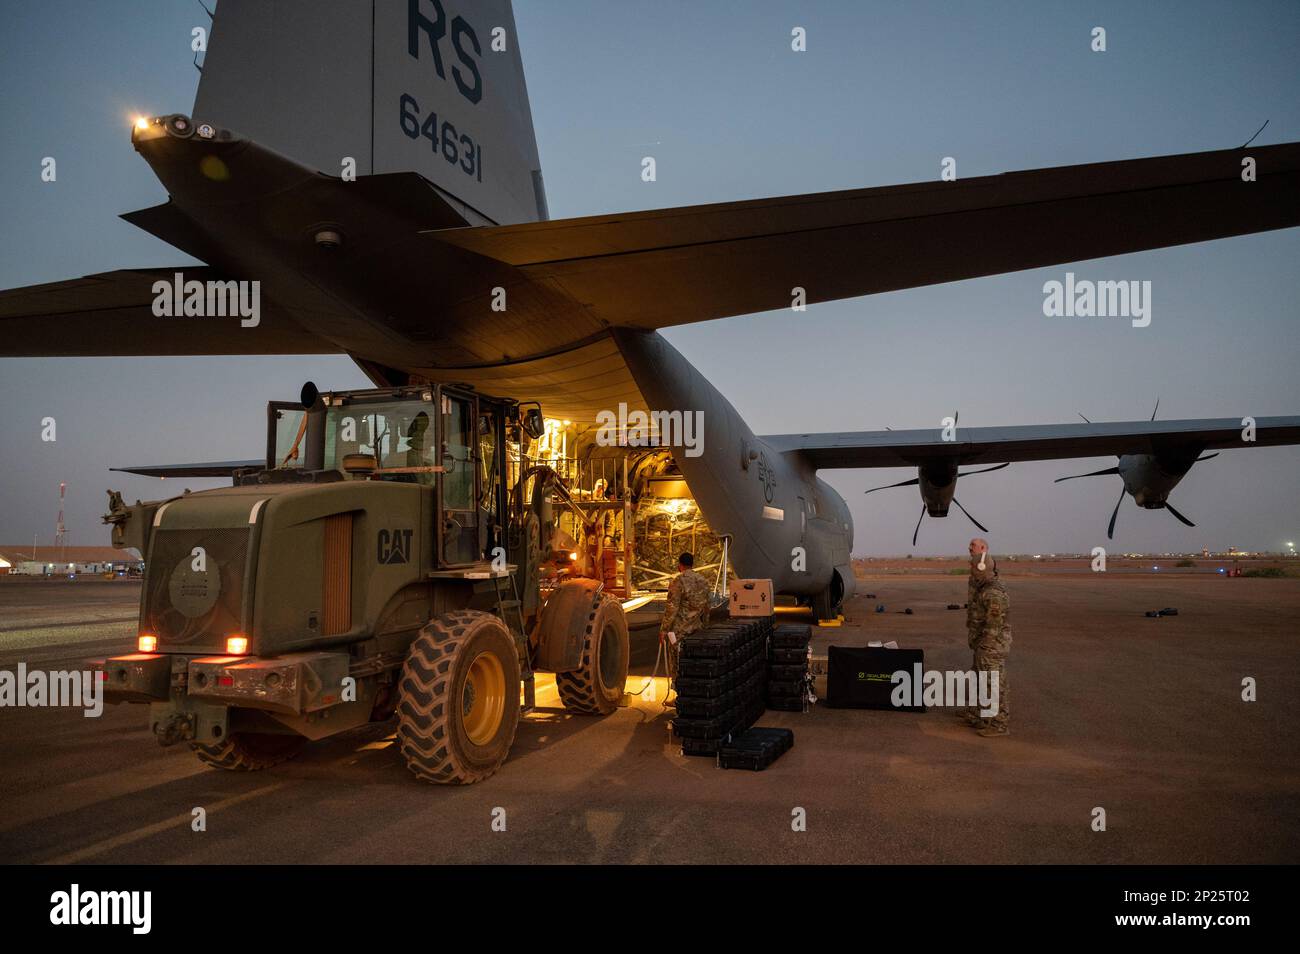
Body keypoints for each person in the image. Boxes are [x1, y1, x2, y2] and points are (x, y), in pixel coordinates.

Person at [962, 540, 1012, 737]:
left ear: (982, 568)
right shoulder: (984, 587)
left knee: (994, 683)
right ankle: (981, 715)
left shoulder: (992, 592)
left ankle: (999, 724)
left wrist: (984, 645)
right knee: (981, 679)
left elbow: (993, 626)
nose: (972, 571)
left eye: (974, 568)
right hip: (983, 644)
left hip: (991, 646)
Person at [659, 551, 711, 676]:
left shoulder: (678, 581)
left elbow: (672, 608)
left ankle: (678, 689)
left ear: (680, 565)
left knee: (677, 664)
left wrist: (663, 630)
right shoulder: (703, 581)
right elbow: (707, 607)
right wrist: (705, 627)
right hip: (697, 630)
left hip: (679, 633)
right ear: (692, 564)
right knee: (694, 664)